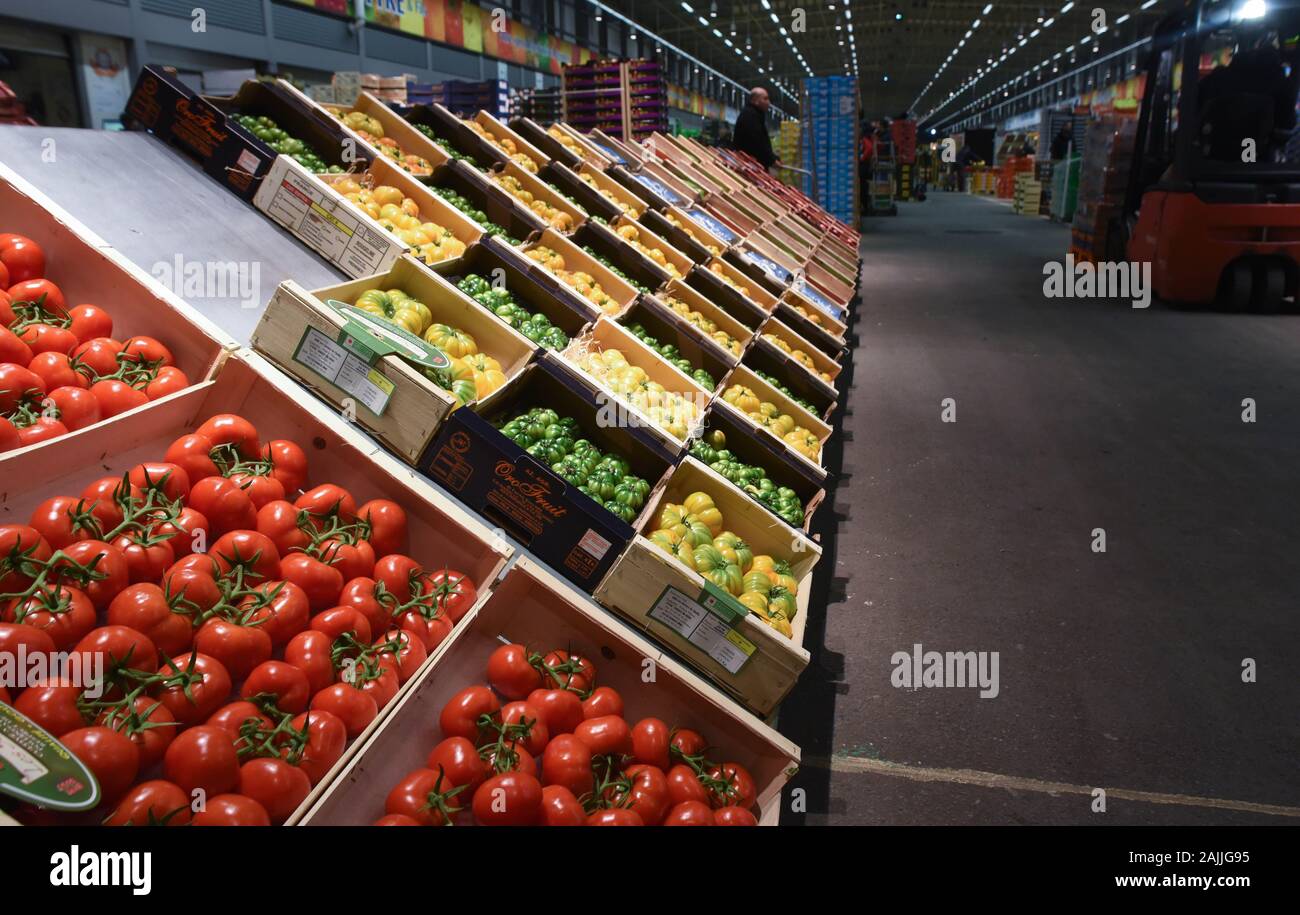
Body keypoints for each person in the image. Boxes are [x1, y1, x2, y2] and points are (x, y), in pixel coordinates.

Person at [733, 87, 779, 170]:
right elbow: (757, 142)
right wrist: (771, 160)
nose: (769, 102)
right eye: (765, 99)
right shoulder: (750, 116)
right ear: (755, 100)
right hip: (751, 165)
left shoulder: (755, 115)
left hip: (753, 164)